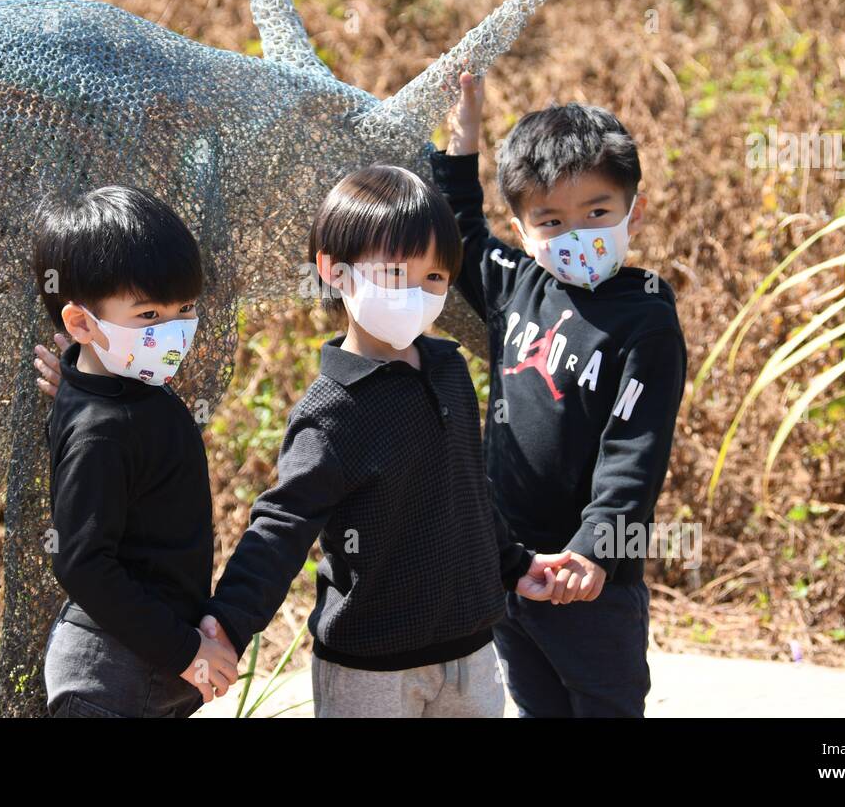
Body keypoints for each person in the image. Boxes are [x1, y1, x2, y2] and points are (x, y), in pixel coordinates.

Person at [196, 164, 578, 717]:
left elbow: (466, 491)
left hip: (470, 654)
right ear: (333, 270)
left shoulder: (448, 370)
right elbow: (281, 527)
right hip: (370, 666)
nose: (417, 295)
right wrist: (228, 623)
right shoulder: (330, 412)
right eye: (396, 274)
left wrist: (515, 566)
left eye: (435, 280)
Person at [429, 71, 688, 717]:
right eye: (550, 220)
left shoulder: (646, 317)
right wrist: (462, 142)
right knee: (534, 704)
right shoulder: (517, 284)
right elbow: (458, 227)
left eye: (597, 212)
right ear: (520, 228)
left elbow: (635, 449)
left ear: (635, 209)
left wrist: (598, 547)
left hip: (587, 582)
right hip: (511, 566)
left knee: (604, 703)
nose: (575, 235)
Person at [31, 184, 238, 717]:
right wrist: (186, 651)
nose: (173, 332)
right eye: (149, 316)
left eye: (185, 308)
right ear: (81, 322)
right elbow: (82, 564)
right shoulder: (102, 430)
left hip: (137, 665)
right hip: (111, 676)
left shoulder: (119, 378)